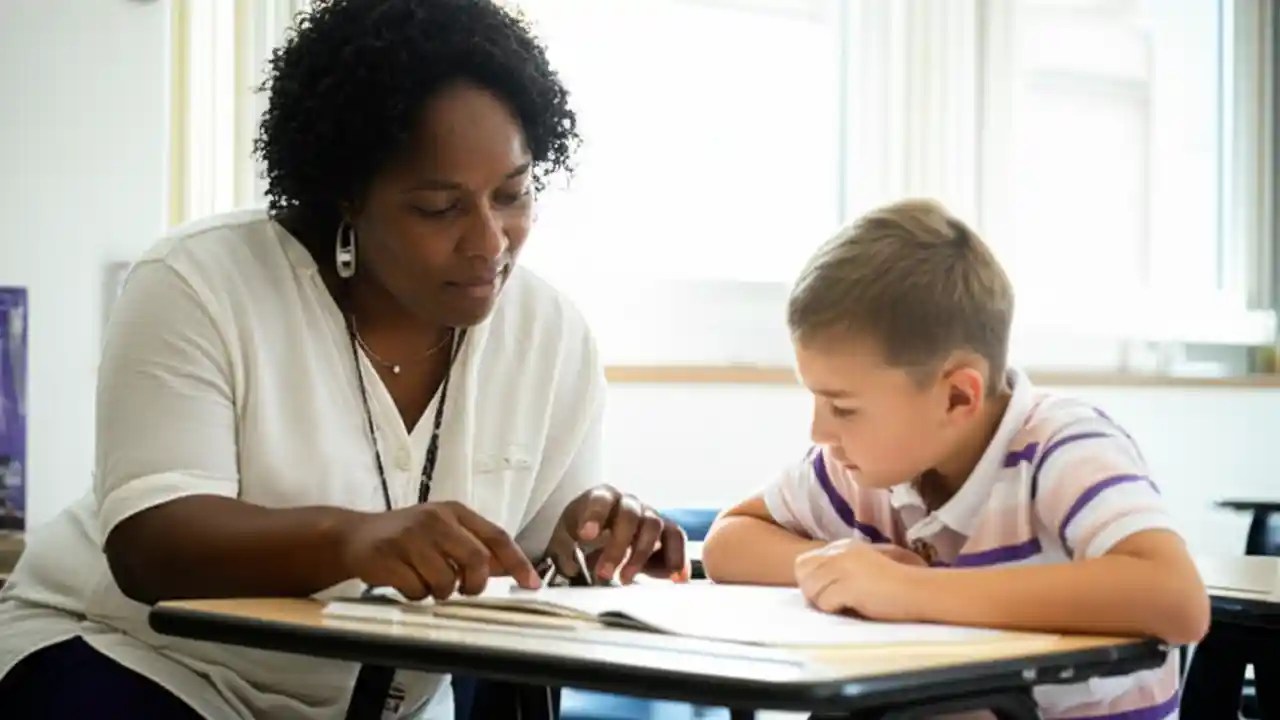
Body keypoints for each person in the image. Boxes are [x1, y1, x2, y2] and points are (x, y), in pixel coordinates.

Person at [0, 1, 687, 718]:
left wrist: (593, 539)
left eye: (512, 195)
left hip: (367, 701)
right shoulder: (197, 281)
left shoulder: (552, 334)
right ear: (347, 195)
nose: (490, 244)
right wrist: (349, 538)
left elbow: (532, 573)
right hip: (136, 659)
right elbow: (151, 547)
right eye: (437, 207)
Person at [701, 199, 1208, 719]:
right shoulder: (863, 467)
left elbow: (1177, 600)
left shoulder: (1063, 447)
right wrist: (847, 573)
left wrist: (913, 591)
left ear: (957, 398)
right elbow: (729, 539)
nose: (819, 431)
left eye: (843, 407)